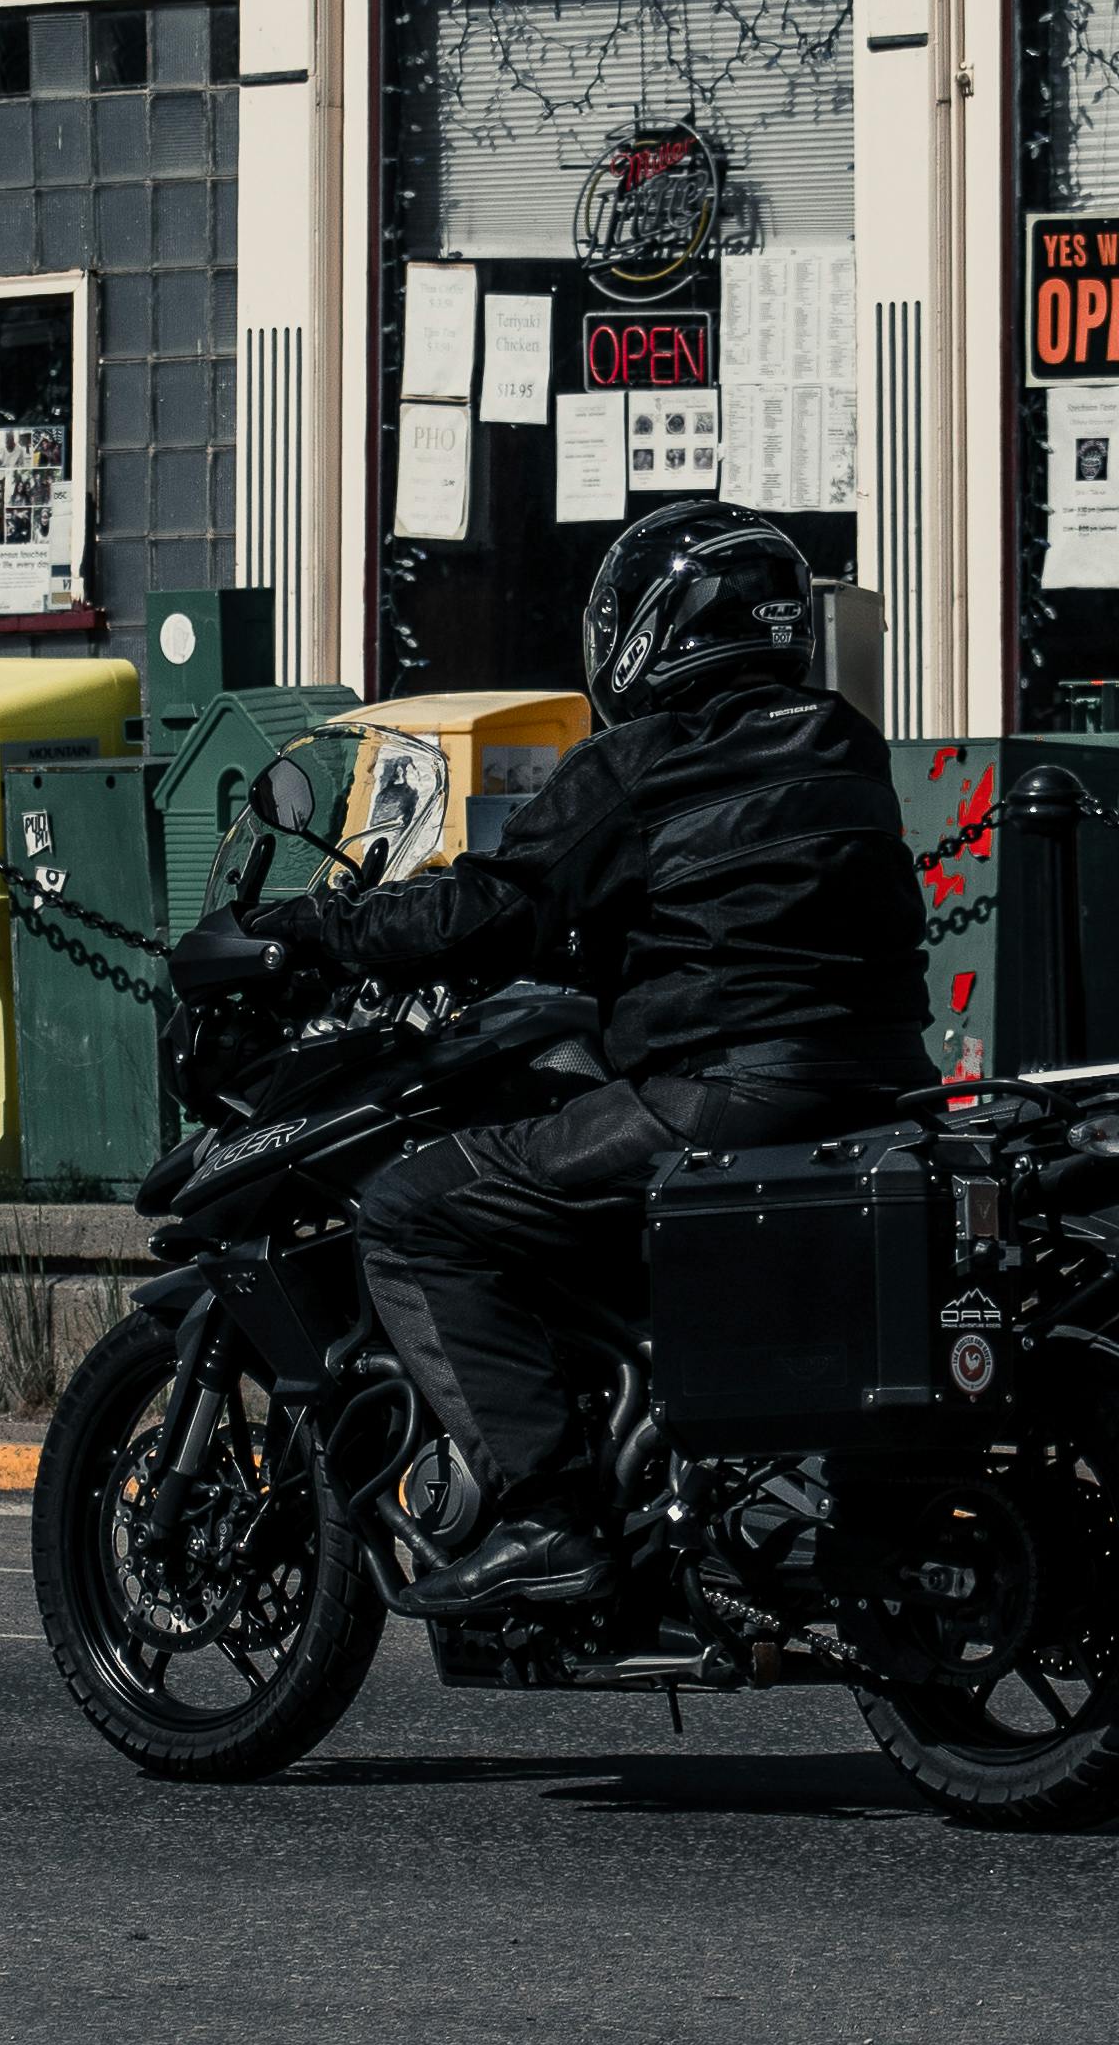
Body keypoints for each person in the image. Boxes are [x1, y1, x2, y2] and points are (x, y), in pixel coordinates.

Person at [259, 504, 929, 1621]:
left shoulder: (637, 760)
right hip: (877, 1085)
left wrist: (316, 928)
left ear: (651, 631)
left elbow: (492, 906)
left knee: (416, 1208)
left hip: (721, 1095)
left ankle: (546, 1518)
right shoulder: (841, 741)